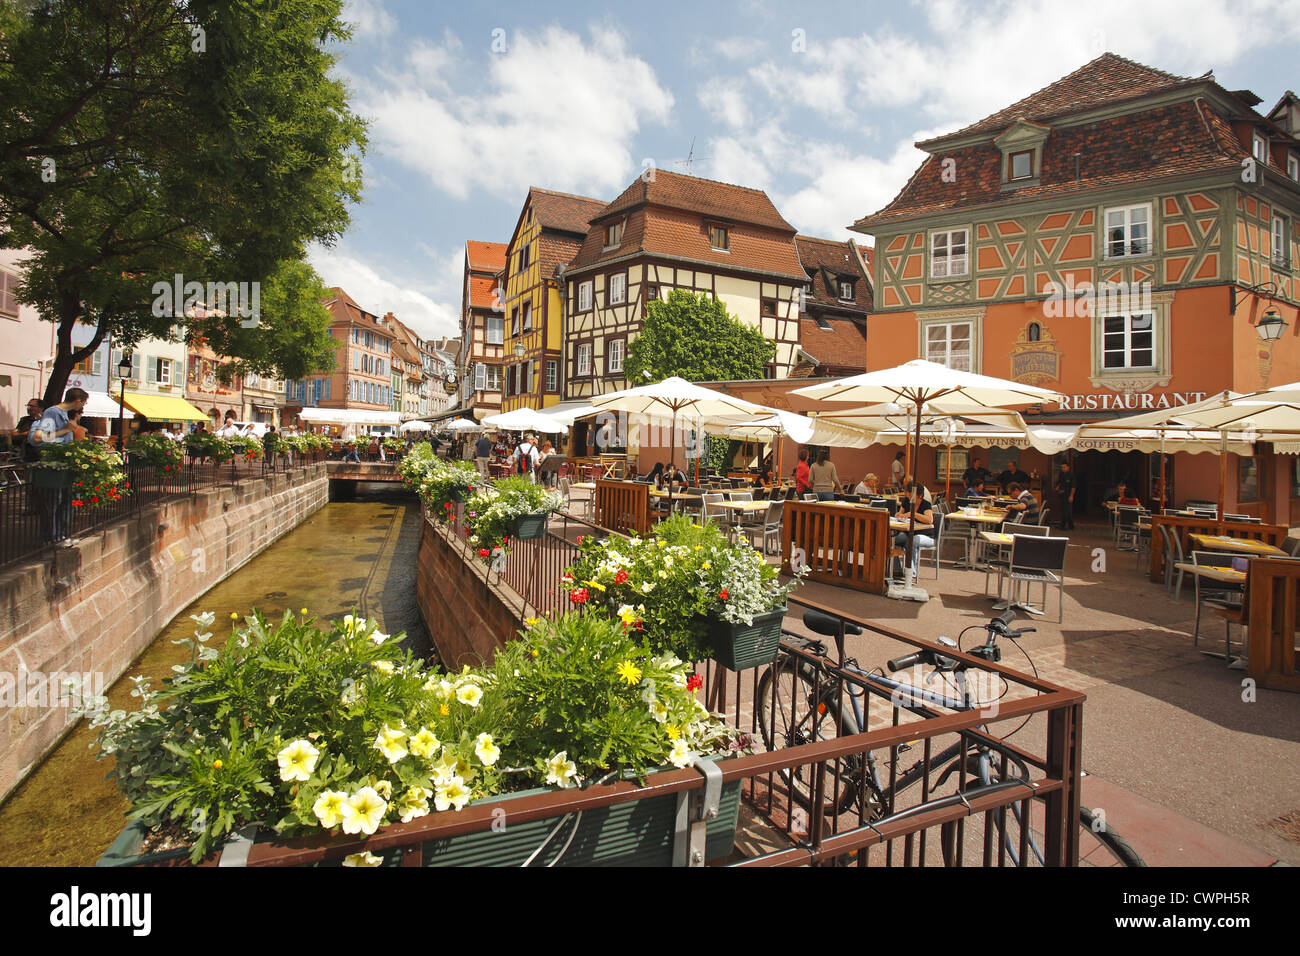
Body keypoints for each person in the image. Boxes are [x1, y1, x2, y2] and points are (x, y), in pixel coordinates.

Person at [29, 387, 89, 545]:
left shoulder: (64, 415)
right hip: (54, 466)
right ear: (77, 401)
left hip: (64, 465)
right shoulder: (52, 412)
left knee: (66, 501)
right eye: (83, 402)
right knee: (54, 502)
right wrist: (65, 431)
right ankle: (51, 538)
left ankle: (60, 535)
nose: (83, 406)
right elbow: (39, 437)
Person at [892, 483, 935, 584]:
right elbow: (899, 513)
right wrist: (899, 515)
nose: (909, 496)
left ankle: (911, 572)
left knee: (913, 541)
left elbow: (929, 520)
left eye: (912, 494)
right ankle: (896, 568)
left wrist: (913, 514)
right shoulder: (906, 501)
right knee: (893, 539)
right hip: (908, 532)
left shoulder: (925, 504)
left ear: (920, 495)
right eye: (908, 493)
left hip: (926, 535)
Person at [1055, 460, 1075, 530]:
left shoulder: (1071, 475)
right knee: (1064, 510)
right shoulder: (1061, 474)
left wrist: (1071, 496)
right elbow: (1059, 482)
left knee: (1067, 511)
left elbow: (1073, 486)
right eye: (1062, 467)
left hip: (1068, 494)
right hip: (1062, 494)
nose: (1063, 469)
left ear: (1068, 467)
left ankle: (1064, 525)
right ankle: (1070, 525)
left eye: (1064, 467)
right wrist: (1057, 487)